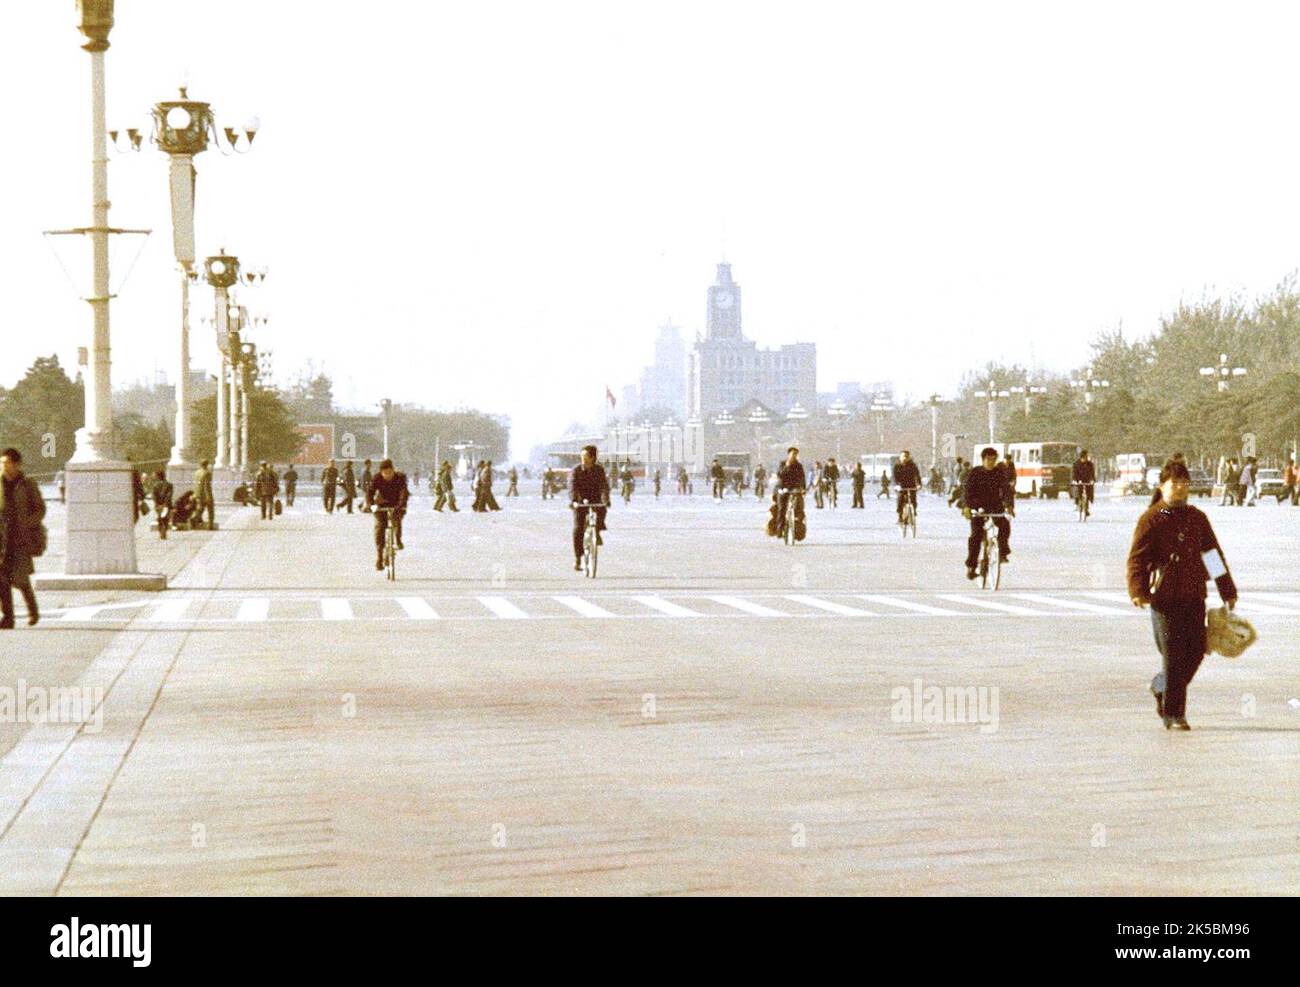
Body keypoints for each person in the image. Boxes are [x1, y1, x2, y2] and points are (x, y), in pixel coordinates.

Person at [1127, 458, 1238, 730]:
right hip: (1163, 599)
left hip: (1193, 595)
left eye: (1183, 483)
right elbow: (1137, 559)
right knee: (1174, 654)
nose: (1179, 488)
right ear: (1162, 485)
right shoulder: (1152, 518)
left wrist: (1227, 589)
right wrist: (1138, 590)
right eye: (1173, 483)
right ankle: (1174, 714)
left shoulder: (1197, 518)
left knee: (1198, 649)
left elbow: (1212, 555)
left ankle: (1161, 686)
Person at [0, 448, 44, 628]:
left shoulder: (27, 484)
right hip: (2, 539)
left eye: (7, 463)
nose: (3, 466)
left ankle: (33, 610)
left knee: (20, 579)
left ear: (17, 464)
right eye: (1, 463)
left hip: (20, 539)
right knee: (1, 579)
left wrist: (26, 522)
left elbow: (40, 509)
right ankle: (8, 618)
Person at [962, 447, 1011, 579]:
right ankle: (971, 567)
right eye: (989, 459)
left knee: (1004, 524)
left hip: (995, 506)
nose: (991, 462)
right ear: (983, 459)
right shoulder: (975, 472)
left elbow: (1006, 489)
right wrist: (967, 506)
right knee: (976, 536)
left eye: (994, 459)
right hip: (977, 507)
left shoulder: (999, 473)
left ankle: (1003, 552)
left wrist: (1009, 505)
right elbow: (967, 491)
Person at [569, 445, 610, 571]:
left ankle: (596, 531)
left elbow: (604, 486)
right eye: (582, 457)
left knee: (602, 510)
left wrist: (605, 500)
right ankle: (578, 559)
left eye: (586, 457)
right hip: (580, 502)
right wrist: (574, 501)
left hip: (595, 500)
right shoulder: (576, 470)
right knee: (578, 529)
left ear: (593, 458)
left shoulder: (599, 470)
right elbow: (572, 487)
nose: (583, 459)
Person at [368, 458, 410, 570]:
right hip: (381, 505)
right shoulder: (377, 478)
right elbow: (369, 493)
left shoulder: (400, 478)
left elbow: (404, 493)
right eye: (385, 473)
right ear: (381, 472)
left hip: (397, 505)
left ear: (393, 470)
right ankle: (379, 557)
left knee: (397, 521)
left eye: (390, 472)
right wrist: (371, 505)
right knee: (380, 528)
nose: (387, 475)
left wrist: (401, 505)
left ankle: (398, 539)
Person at [771, 447, 807, 540]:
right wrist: (787, 466)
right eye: (792, 454)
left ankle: (798, 528)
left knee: (799, 506)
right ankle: (780, 530)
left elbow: (802, 478)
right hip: (782, 488)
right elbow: (780, 475)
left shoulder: (799, 465)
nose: (794, 455)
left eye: (795, 454)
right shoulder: (783, 463)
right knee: (782, 508)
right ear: (788, 454)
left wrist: (803, 488)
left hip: (794, 488)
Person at [892, 450, 922, 524]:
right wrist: (896, 485)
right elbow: (894, 477)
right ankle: (900, 516)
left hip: (911, 485)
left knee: (913, 498)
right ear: (900, 457)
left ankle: (913, 511)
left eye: (907, 456)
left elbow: (917, 475)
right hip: (901, 486)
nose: (905, 458)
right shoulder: (897, 466)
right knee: (900, 499)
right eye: (903, 456)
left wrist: (919, 484)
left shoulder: (912, 465)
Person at [1072, 449, 1096, 517]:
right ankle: (1077, 503)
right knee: (1077, 491)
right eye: (1084, 457)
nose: (1085, 459)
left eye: (1086, 457)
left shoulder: (1090, 464)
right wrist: (1076, 480)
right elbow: (1074, 473)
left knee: (1089, 493)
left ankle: (1087, 507)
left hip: (1087, 481)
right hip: (1079, 481)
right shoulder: (1076, 464)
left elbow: (1092, 473)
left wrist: (1092, 480)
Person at [151, 468, 174, 540]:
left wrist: (157, 503)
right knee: (165, 519)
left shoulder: (155, 485)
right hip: (166, 505)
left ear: (158, 476)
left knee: (160, 518)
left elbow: (154, 496)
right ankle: (164, 532)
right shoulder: (169, 485)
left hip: (158, 505)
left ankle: (161, 532)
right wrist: (165, 504)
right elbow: (169, 495)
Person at [193, 459, 215, 530]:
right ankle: (210, 525)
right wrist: (208, 496)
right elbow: (206, 485)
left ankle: (194, 519)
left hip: (198, 493)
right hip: (205, 494)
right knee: (210, 510)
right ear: (207, 464)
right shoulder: (207, 473)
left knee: (200, 509)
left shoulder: (196, 473)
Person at [1000, 452, 1017, 517]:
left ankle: (1010, 509)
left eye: (1009, 460)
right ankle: (1003, 508)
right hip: (1001, 484)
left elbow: (1014, 474)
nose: (1007, 461)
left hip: (1009, 484)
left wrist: (1013, 482)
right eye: (1006, 460)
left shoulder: (1011, 465)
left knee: (1010, 495)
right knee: (1002, 496)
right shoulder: (1000, 465)